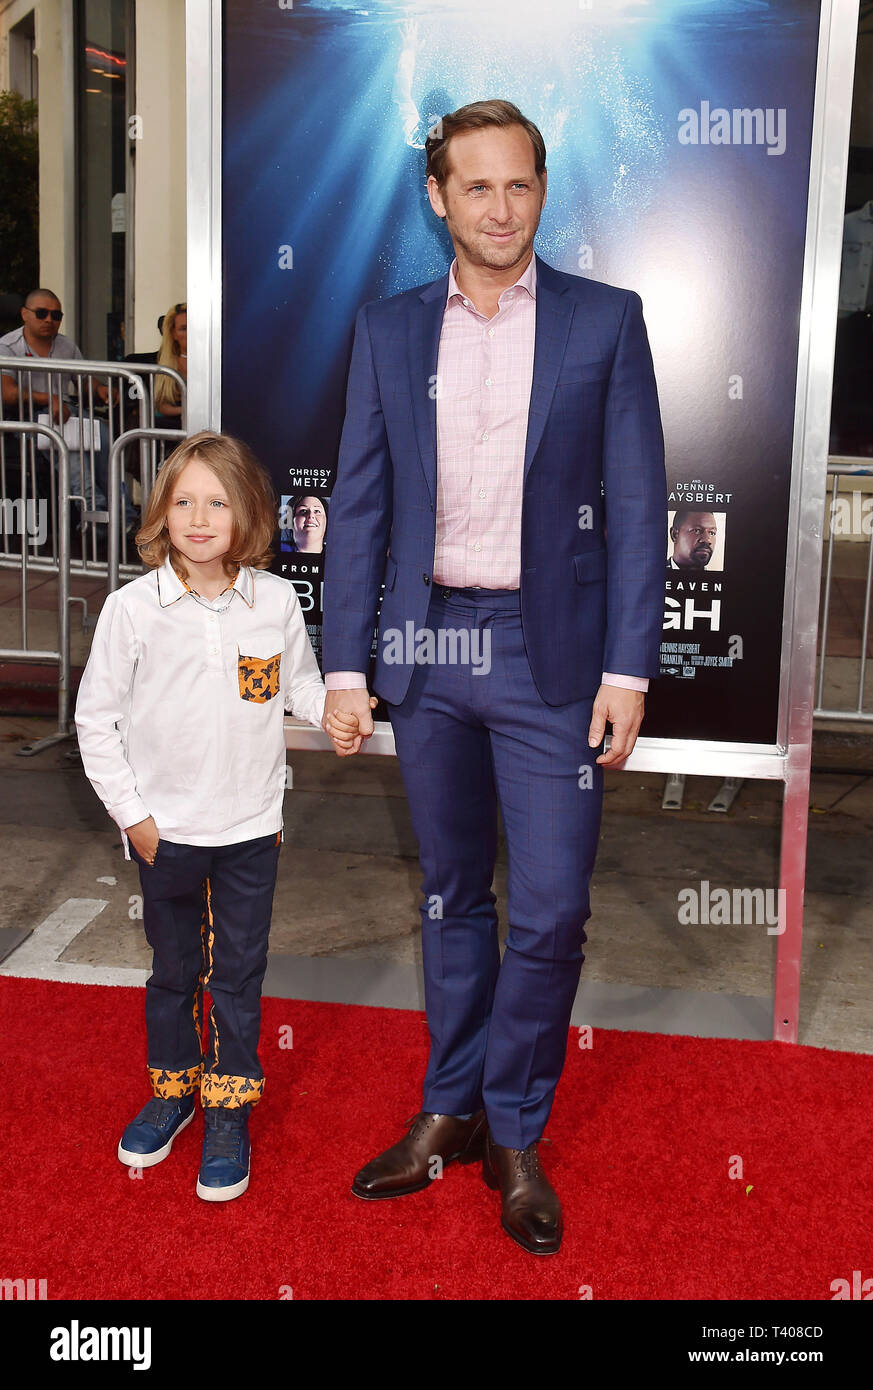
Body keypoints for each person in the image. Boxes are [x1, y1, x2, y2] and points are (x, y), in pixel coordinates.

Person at [321, 100, 667, 1255]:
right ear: (437, 197)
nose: (501, 208)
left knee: (556, 907)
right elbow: (360, 503)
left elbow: (636, 504)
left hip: (549, 656)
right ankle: (451, 1107)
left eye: (519, 185)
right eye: (476, 187)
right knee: (449, 894)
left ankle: (517, 1126)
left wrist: (627, 666)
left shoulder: (604, 322)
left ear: (543, 188)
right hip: (424, 650)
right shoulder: (388, 329)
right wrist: (344, 663)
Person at [75, 429, 334, 1202]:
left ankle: (228, 1104)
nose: (198, 517)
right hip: (166, 835)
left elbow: (301, 689)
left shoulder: (275, 601)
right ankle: (172, 1091)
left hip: (252, 828)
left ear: (248, 513)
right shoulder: (131, 610)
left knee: (239, 975)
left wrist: (338, 714)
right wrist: (135, 819)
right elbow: (96, 722)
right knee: (174, 970)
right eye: (182, 500)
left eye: (216, 501)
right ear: (160, 512)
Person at [0, 288, 122, 524]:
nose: (49, 319)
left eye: (56, 316)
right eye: (42, 313)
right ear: (25, 314)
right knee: (74, 459)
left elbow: (83, 381)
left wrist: (99, 389)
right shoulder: (7, 345)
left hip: (68, 413)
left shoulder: (66, 345)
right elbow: (7, 393)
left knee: (109, 444)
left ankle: (123, 518)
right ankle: (96, 520)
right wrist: (49, 399)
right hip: (29, 420)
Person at [153, 302, 187, 427]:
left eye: (193, 327)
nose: (189, 333)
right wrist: (185, 410)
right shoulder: (167, 363)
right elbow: (161, 405)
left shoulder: (212, 364)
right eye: (183, 328)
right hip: (173, 429)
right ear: (173, 334)